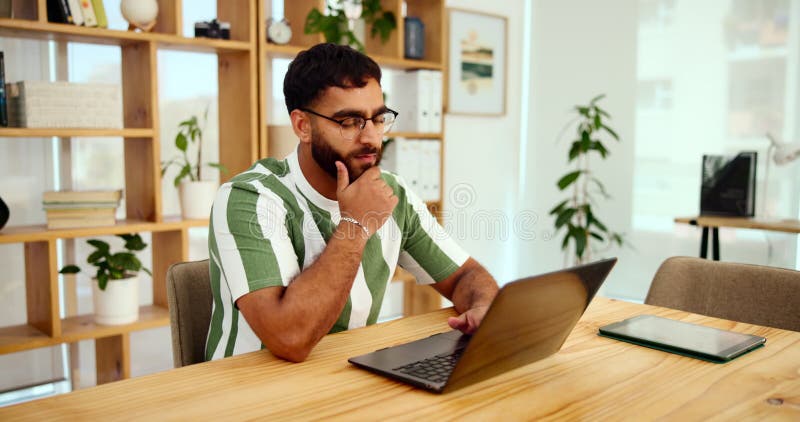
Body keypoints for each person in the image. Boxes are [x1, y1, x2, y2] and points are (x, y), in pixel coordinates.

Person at [206, 43, 498, 363]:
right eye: (349, 122)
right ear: (303, 126)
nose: (371, 137)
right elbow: (290, 339)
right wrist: (355, 226)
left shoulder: (389, 192)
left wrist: (483, 306)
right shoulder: (250, 198)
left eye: (378, 118)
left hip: (347, 377)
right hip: (249, 394)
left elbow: (465, 276)